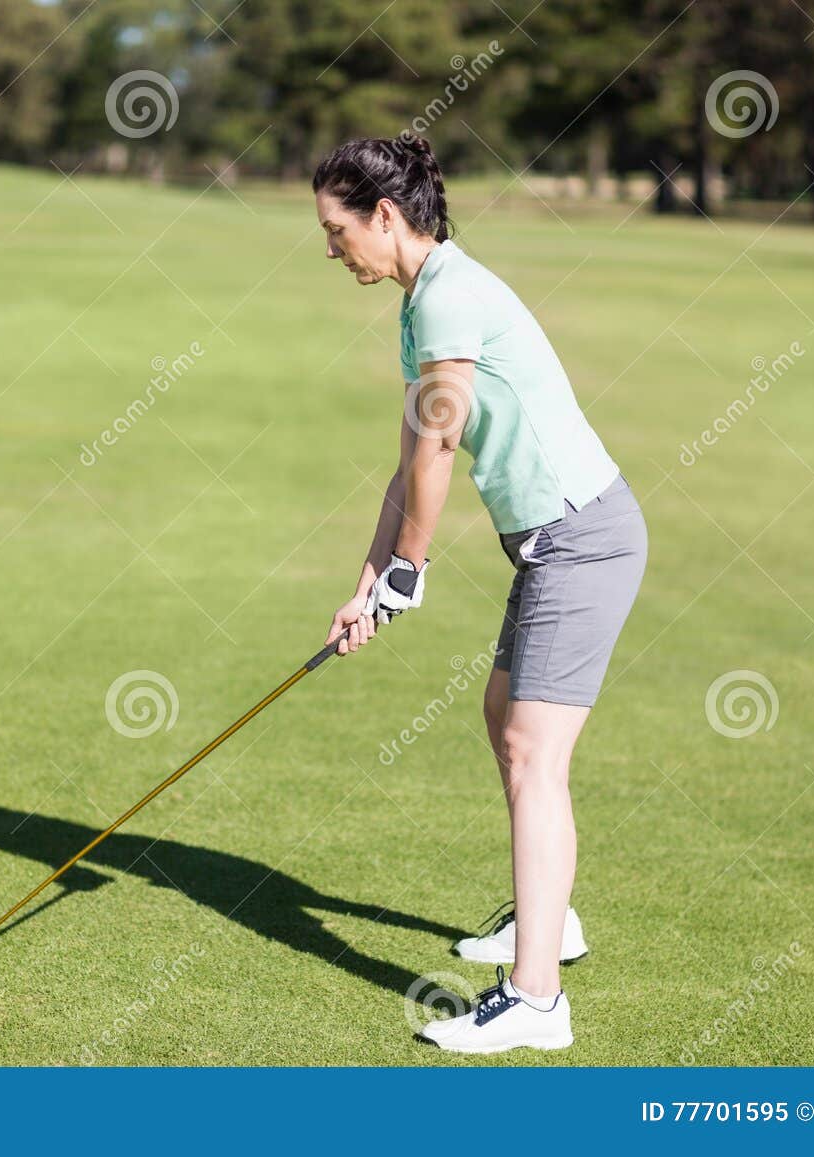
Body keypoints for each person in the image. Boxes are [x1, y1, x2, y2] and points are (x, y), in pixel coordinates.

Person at [313, 134, 648, 1053]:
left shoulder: (450, 296)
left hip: (582, 541)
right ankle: (552, 920)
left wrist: (412, 566)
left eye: (337, 229)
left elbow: (442, 441)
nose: (331, 247)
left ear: (386, 215)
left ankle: (537, 998)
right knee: (505, 716)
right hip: (553, 547)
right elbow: (407, 455)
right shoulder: (424, 301)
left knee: (536, 754)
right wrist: (371, 577)